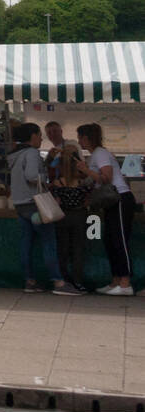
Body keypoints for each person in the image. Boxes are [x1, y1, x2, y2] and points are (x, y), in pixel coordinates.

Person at [8, 122, 79, 296]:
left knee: (26, 243)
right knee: (49, 242)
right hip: (35, 205)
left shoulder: (15, 155)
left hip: (20, 205)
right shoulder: (31, 153)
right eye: (39, 135)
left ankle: (30, 281)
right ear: (32, 136)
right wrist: (47, 179)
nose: (41, 138)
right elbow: (32, 176)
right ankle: (58, 282)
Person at [75, 122, 135, 295]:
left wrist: (86, 170)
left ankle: (125, 283)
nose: (79, 141)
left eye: (80, 137)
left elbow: (106, 177)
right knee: (110, 240)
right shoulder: (94, 155)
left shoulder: (100, 154)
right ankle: (115, 280)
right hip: (110, 202)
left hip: (120, 198)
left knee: (120, 240)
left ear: (86, 138)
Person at [51, 142, 90, 293]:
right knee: (78, 250)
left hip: (62, 216)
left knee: (63, 250)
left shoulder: (57, 183)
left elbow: (56, 201)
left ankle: (64, 280)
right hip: (79, 216)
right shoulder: (83, 182)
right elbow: (88, 199)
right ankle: (78, 282)